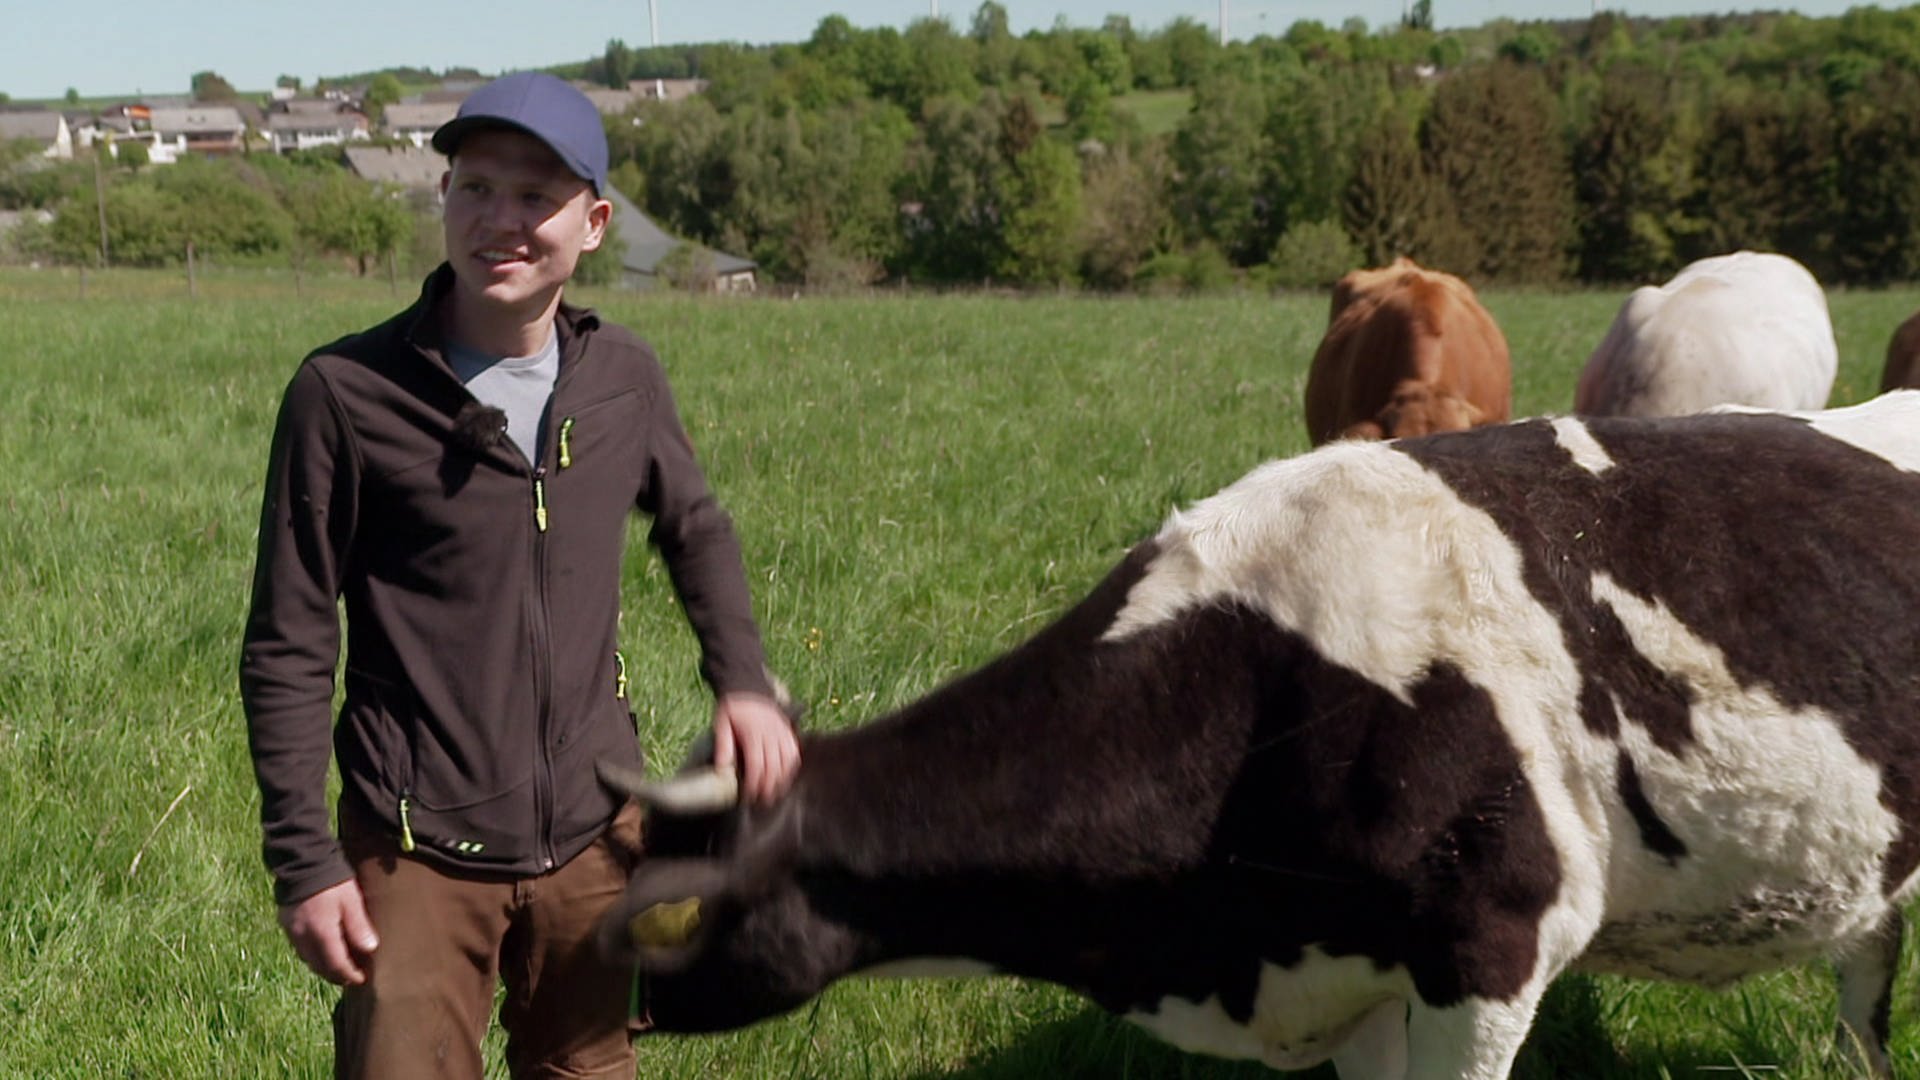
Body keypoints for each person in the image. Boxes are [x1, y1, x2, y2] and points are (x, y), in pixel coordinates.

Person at [239, 71, 800, 1079]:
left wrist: (746, 682)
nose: (500, 219)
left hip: (594, 833)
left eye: (534, 196)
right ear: (444, 198)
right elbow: (287, 641)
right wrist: (303, 862)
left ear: (591, 224)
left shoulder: (623, 377)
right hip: (414, 847)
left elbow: (696, 525)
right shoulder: (349, 395)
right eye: (476, 187)